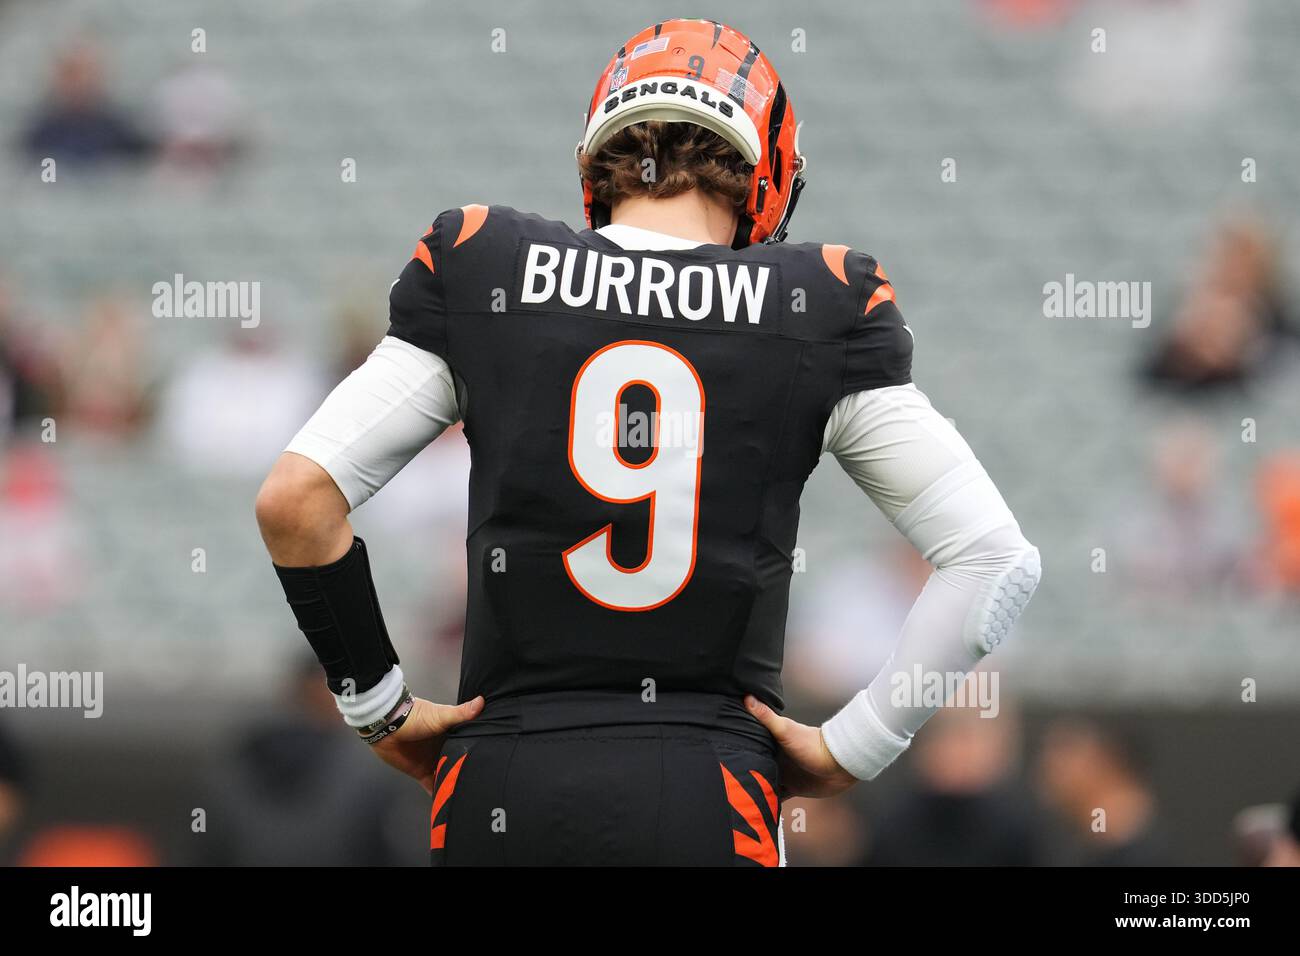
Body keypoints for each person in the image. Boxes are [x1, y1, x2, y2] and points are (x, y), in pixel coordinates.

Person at [255, 19, 1041, 866]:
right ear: (764, 166)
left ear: (602, 154)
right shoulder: (820, 305)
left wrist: (379, 706)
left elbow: (295, 501)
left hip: (502, 786)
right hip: (706, 789)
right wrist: (859, 743)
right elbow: (996, 561)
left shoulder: (484, 266)